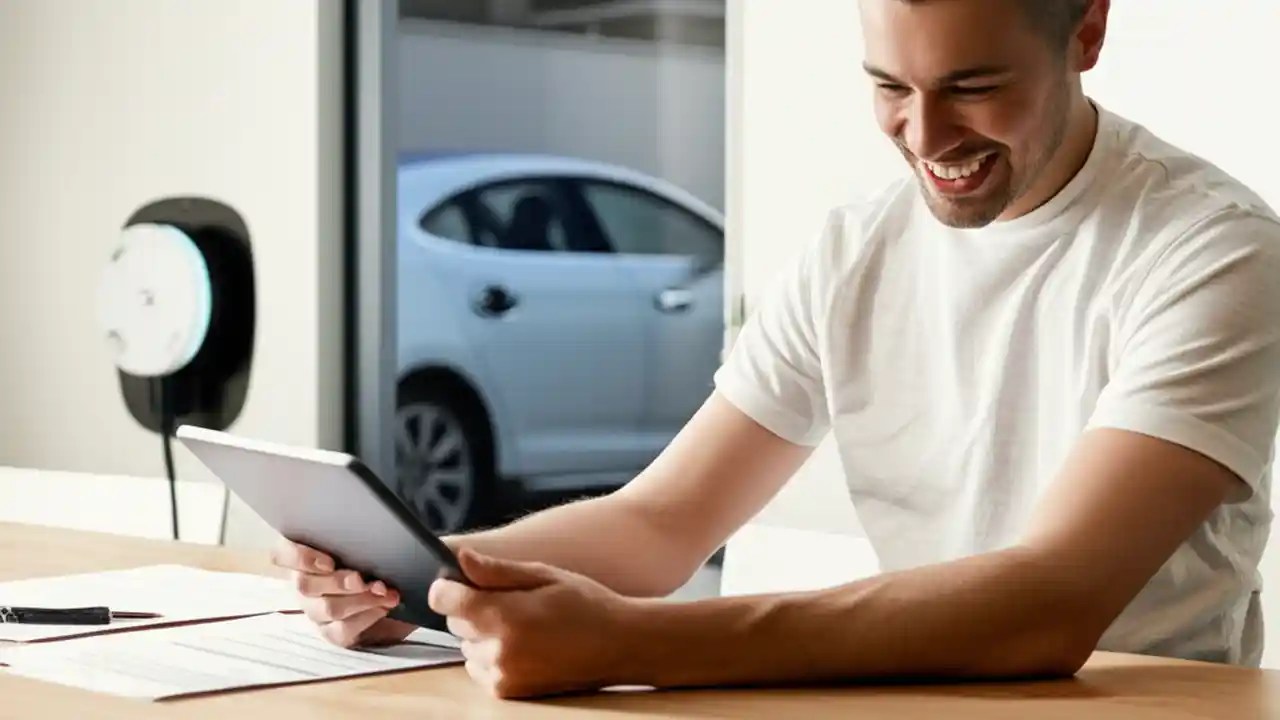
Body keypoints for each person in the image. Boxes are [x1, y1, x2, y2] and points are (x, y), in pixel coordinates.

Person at [274, 0, 1280, 699]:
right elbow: (659, 524)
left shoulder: (1214, 250)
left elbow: (1049, 601)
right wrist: (422, 579)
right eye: (888, 85)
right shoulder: (856, 248)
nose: (925, 134)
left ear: (1086, 30)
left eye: (973, 86)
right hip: (919, 696)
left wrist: (628, 642)